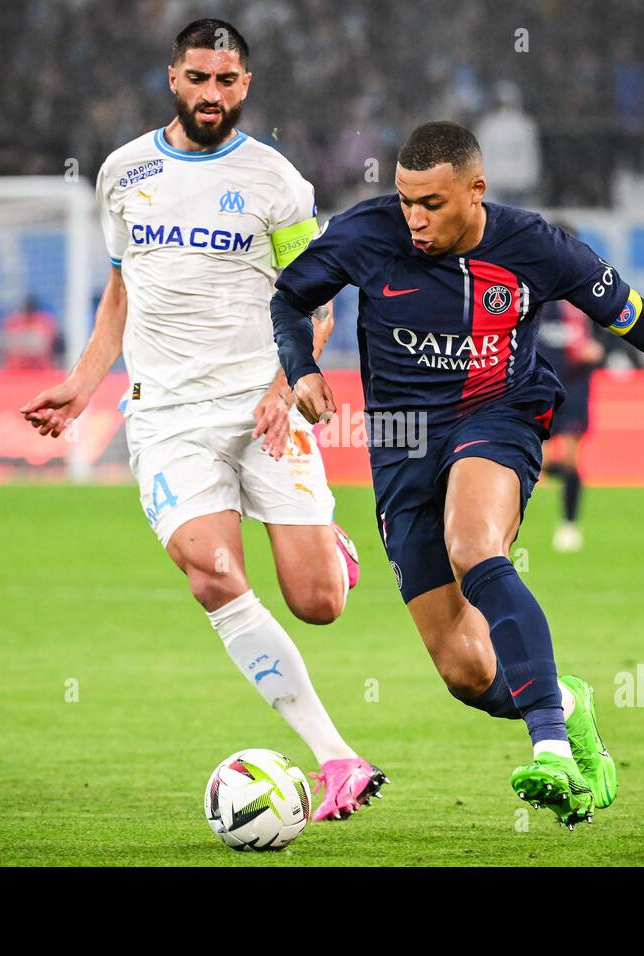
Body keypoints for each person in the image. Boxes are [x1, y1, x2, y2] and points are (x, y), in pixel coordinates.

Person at [271, 121, 644, 828]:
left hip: (498, 417)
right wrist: (303, 369)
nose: (415, 219)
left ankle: (552, 748)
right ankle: (566, 703)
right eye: (407, 200)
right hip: (400, 444)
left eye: (433, 204)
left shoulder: (538, 247)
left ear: (477, 191)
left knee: (474, 545)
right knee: (466, 672)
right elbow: (289, 299)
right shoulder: (366, 234)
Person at [19, 19, 383, 822]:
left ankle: (332, 551)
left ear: (245, 85)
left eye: (225, 80)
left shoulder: (276, 183)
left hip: (263, 406)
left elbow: (313, 301)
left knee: (317, 603)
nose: (210, 93)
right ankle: (336, 759)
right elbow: (122, 288)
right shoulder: (123, 172)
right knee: (214, 573)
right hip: (166, 417)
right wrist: (83, 384)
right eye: (196, 77)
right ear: (173, 78)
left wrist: (288, 384)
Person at [534, 227, 606, 553]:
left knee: (573, 458)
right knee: (542, 463)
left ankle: (569, 526)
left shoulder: (589, 288)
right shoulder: (535, 289)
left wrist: (601, 350)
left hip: (576, 383)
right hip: (542, 382)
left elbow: (612, 327)